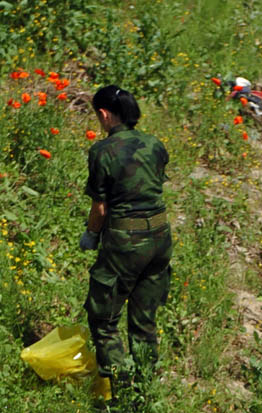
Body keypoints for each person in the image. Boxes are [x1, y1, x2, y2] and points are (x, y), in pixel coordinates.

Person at [80, 85, 172, 394]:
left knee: (103, 317)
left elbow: (100, 207)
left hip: (125, 242)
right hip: (160, 238)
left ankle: (122, 393)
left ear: (104, 115)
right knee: (144, 320)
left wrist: (92, 235)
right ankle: (145, 391)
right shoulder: (155, 144)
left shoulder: (102, 151)